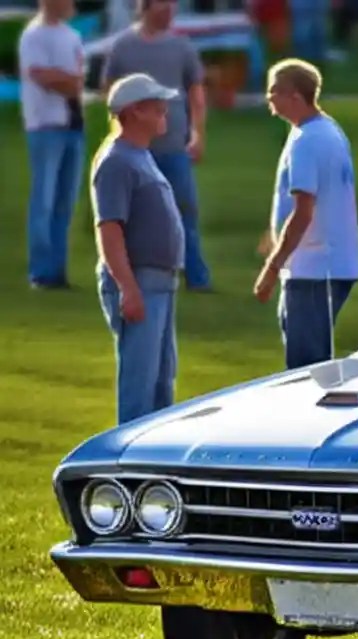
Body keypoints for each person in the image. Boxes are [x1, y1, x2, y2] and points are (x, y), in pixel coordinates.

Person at [90, 73, 186, 425]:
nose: (164, 110)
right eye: (156, 106)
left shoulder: (139, 156)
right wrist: (127, 288)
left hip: (159, 283)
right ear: (134, 112)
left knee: (161, 382)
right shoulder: (116, 161)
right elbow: (110, 229)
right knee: (140, 386)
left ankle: (154, 455)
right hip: (140, 282)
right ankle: (130, 456)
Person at [254, 59, 358, 370]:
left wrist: (272, 267)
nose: (268, 97)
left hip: (314, 268)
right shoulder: (328, 131)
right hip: (325, 264)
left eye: (274, 90)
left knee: (306, 368)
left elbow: (304, 211)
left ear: (295, 96)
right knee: (310, 358)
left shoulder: (306, 141)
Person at [100, 0, 212, 291]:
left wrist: (197, 134)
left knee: (185, 210)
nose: (169, 11)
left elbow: (196, 93)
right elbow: (109, 90)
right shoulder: (123, 46)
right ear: (145, 8)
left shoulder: (182, 46)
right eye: (163, 5)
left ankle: (195, 275)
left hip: (174, 145)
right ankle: (128, 273)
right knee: (130, 214)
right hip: (135, 148)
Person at [18, 0, 85, 290]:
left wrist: (65, 80)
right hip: (45, 125)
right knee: (44, 200)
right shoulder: (34, 35)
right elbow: (42, 76)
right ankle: (41, 271)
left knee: (64, 203)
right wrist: (67, 81)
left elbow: (77, 79)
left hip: (74, 124)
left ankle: (57, 269)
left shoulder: (72, 36)